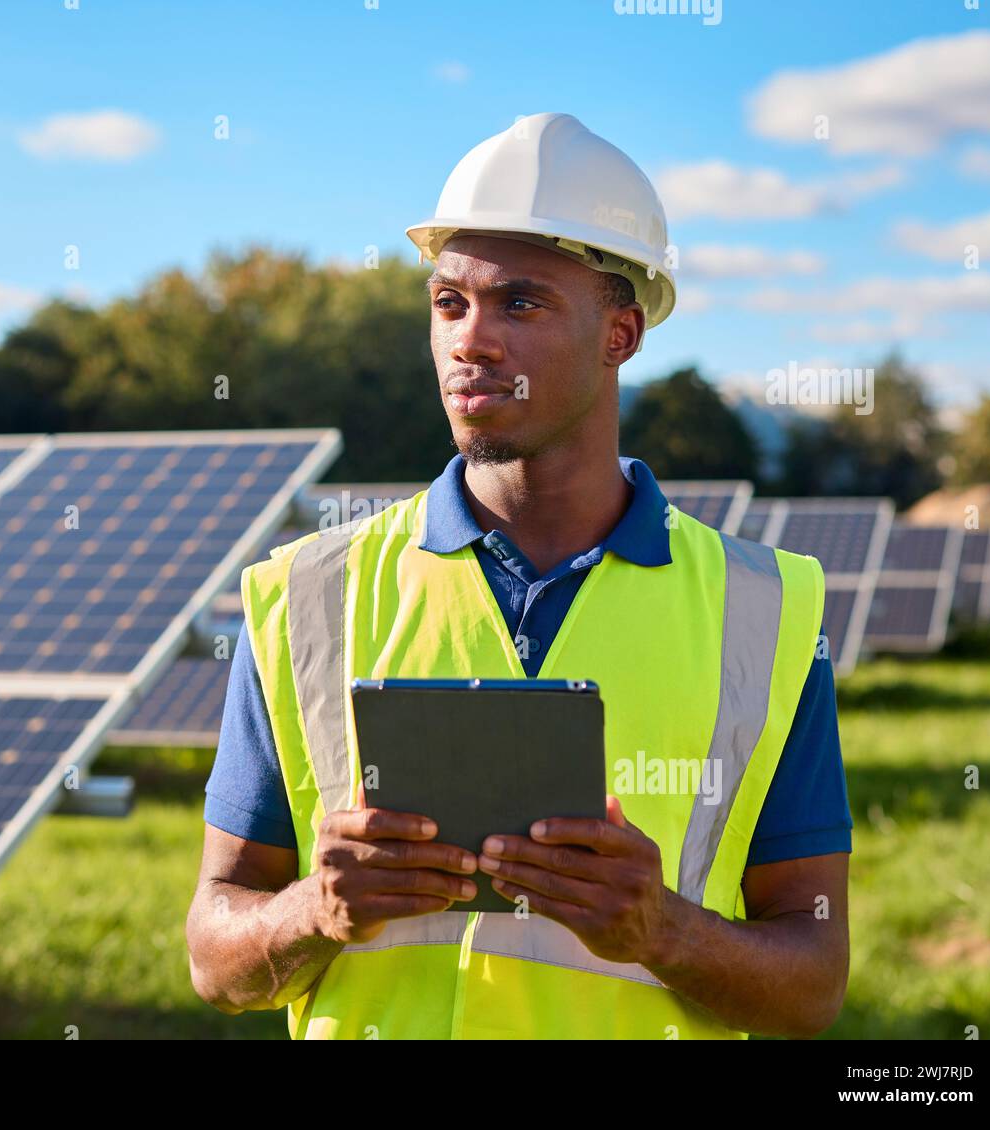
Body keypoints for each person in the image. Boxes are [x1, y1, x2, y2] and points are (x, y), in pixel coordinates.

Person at [185, 112, 851, 1039]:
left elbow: (813, 986)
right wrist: (315, 911)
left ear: (620, 333)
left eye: (521, 304)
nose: (471, 341)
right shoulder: (305, 595)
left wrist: (663, 931)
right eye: (448, 302)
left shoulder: (766, 613)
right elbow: (216, 961)